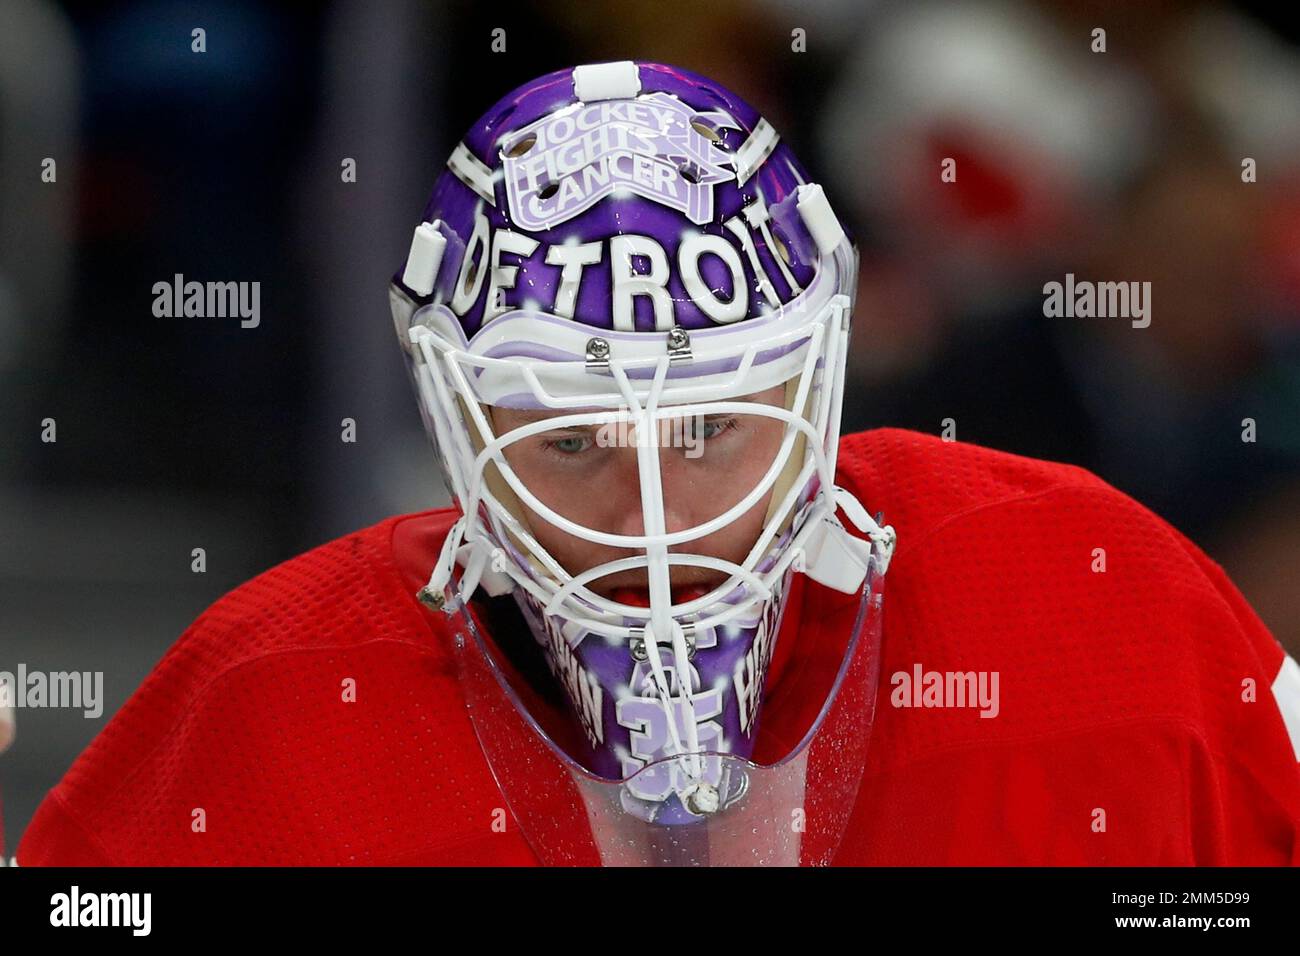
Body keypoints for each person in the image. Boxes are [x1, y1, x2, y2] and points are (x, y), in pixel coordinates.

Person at [17, 61, 1300, 866]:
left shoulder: (1097, 599)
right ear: (461, 428)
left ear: (813, 383)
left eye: (707, 427)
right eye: (571, 440)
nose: (655, 520)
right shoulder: (263, 714)